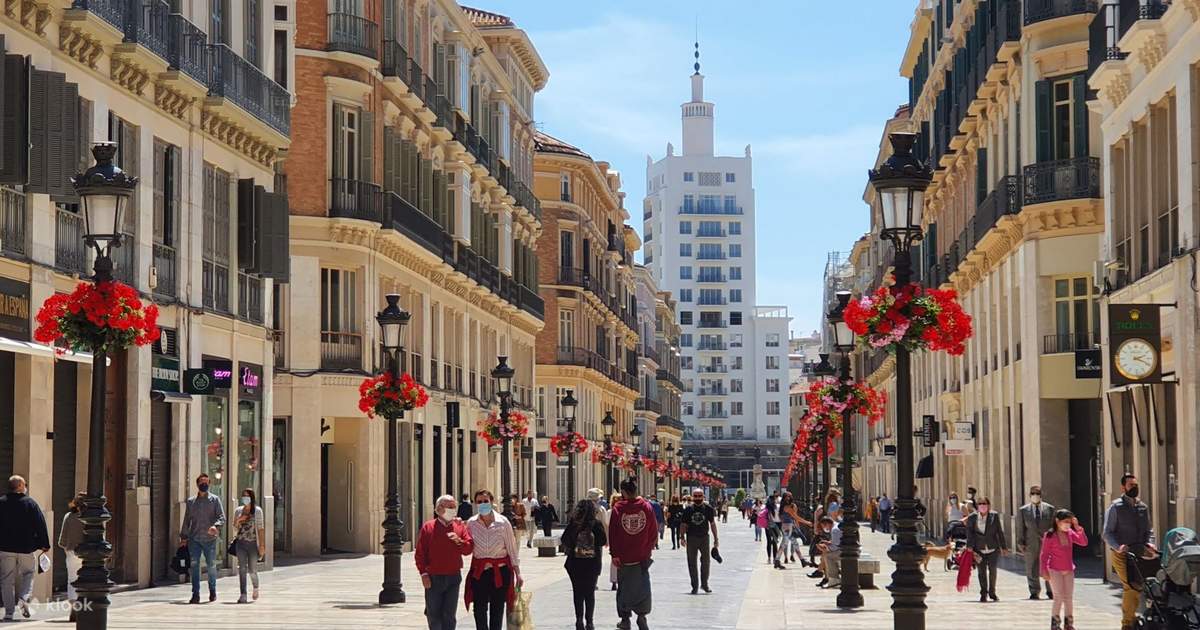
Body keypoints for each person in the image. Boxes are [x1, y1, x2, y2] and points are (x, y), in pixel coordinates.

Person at [1103, 474, 1155, 630]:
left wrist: (1150, 543)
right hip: (1121, 554)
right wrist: (1118, 546)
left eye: (1136, 485)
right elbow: (1107, 532)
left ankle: (1134, 619)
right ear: (1123, 487)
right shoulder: (1115, 507)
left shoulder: (1142, 507)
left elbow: (1148, 530)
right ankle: (1127, 624)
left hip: (1139, 552)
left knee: (1143, 585)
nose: (1134, 487)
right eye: (1131, 485)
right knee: (1131, 586)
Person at [465, 489, 521, 630]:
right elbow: (466, 546)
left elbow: (512, 549)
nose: (483, 504)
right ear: (475, 504)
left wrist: (518, 573)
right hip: (480, 572)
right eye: (479, 502)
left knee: (497, 608)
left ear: (491, 502)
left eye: (485, 501)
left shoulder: (503, 522)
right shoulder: (471, 524)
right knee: (479, 608)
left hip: (500, 571)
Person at [415, 495, 474, 630]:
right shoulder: (428, 527)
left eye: (454, 507)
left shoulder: (459, 527)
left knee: (449, 614)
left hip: (453, 577)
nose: (453, 510)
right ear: (439, 509)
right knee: (433, 614)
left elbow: (468, 548)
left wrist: (459, 541)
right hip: (433, 577)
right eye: (450, 507)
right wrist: (423, 574)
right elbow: (420, 554)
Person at [608, 479, 657, 630]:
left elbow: (613, 533)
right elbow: (653, 531)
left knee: (624, 588)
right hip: (641, 557)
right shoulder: (646, 507)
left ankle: (625, 619)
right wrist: (647, 550)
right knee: (643, 588)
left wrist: (614, 553)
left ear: (623, 492)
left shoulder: (618, 508)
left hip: (624, 557)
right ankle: (642, 616)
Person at [0, 476, 49, 622]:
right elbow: (40, 524)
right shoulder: (30, 503)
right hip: (26, 547)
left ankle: (8, 613)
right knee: (28, 573)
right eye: (25, 484)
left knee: (6, 580)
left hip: (5, 547)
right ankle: (23, 598)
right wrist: (44, 544)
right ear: (20, 486)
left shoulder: (1, 502)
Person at [180, 473, 225, 604]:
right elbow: (187, 520)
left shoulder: (215, 500)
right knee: (194, 566)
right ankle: (195, 594)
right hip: (194, 539)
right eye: (201, 481)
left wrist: (215, 526)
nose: (204, 483)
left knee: (211, 565)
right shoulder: (191, 501)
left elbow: (221, 517)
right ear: (197, 484)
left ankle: (212, 591)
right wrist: (183, 536)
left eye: (206, 481)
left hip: (210, 539)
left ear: (209, 483)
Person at [561, 500, 607, 630]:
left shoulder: (574, 524)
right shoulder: (596, 524)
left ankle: (579, 620)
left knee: (578, 593)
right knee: (589, 593)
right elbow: (603, 540)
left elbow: (565, 540)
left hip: (575, 564)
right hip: (592, 564)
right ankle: (590, 621)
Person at [1040, 510, 1087, 630]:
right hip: (1055, 569)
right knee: (1058, 596)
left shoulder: (1070, 532)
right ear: (1057, 521)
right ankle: (1055, 623)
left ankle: (1069, 623)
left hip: (1068, 569)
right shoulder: (1049, 535)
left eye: (1069, 522)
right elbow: (1044, 554)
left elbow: (1083, 542)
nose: (1067, 524)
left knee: (1068, 597)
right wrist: (1043, 570)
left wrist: (1077, 528)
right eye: (1065, 521)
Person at [1015, 485, 1056, 600]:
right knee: (1031, 567)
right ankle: (1034, 591)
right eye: (1033, 493)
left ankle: (1051, 590)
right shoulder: (1023, 510)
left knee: (1049, 566)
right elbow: (1021, 527)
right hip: (1030, 543)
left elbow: (1053, 526)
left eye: (1037, 493)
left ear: (1041, 495)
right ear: (1029, 495)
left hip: (1047, 543)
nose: (1035, 495)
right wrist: (1020, 542)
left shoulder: (1050, 509)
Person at [964, 497, 1007, 602]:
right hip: (979, 549)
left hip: (993, 548)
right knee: (981, 572)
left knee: (993, 571)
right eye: (980, 504)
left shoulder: (994, 516)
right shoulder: (972, 517)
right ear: (977, 506)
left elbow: (999, 532)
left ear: (988, 505)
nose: (982, 506)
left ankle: (992, 592)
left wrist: (1004, 547)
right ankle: (983, 593)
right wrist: (969, 546)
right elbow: (970, 533)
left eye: (985, 504)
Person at [679, 489, 718, 594]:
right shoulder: (688, 509)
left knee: (706, 562)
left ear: (703, 497)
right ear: (692, 497)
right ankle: (694, 586)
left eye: (699, 496)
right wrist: (682, 537)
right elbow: (683, 524)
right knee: (692, 563)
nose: (697, 498)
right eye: (695, 496)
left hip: (704, 538)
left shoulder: (708, 509)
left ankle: (704, 584)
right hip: (691, 538)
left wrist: (716, 539)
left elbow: (713, 524)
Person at [231, 488, 266, 603]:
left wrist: (262, 545)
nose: (245, 498)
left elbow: (260, 529)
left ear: (252, 498)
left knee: (252, 570)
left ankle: (255, 587)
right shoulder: (238, 511)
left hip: (253, 544)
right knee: (242, 569)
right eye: (243, 496)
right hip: (240, 543)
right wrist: (239, 520)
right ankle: (243, 594)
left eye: (247, 496)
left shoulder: (257, 511)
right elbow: (234, 527)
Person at [57, 491, 85, 621]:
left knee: (72, 580)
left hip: (71, 552)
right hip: (88, 553)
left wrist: (67, 548)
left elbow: (62, 540)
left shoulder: (69, 516)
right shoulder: (93, 517)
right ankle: (85, 607)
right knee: (88, 581)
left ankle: (74, 606)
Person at [816, 516, 842, 588]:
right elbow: (837, 542)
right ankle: (826, 576)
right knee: (825, 555)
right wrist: (828, 543)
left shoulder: (834, 530)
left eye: (824, 526)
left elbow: (835, 548)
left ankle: (833, 579)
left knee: (827, 556)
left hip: (845, 551)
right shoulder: (836, 525)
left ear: (827, 523)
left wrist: (824, 547)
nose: (825, 529)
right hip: (845, 548)